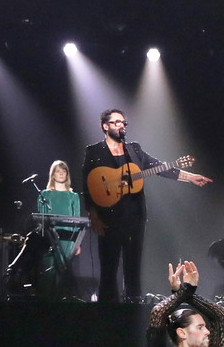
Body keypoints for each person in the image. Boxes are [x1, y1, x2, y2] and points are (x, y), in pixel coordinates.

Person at [81, 109, 212, 303]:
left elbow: (160, 168)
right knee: (109, 269)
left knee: (133, 267)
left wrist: (190, 177)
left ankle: (132, 310)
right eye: (116, 122)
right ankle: (106, 313)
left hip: (135, 216)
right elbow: (87, 183)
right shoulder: (94, 151)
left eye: (124, 123)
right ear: (105, 126)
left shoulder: (134, 150)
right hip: (108, 217)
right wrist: (93, 213)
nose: (121, 126)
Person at [36, 159, 84, 296]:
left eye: (64, 171)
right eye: (58, 171)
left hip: (68, 239)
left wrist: (77, 242)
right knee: (48, 269)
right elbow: (41, 217)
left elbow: (77, 220)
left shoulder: (73, 196)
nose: (61, 174)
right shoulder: (44, 195)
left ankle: (59, 299)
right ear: (53, 174)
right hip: (49, 237)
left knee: (63, 270)